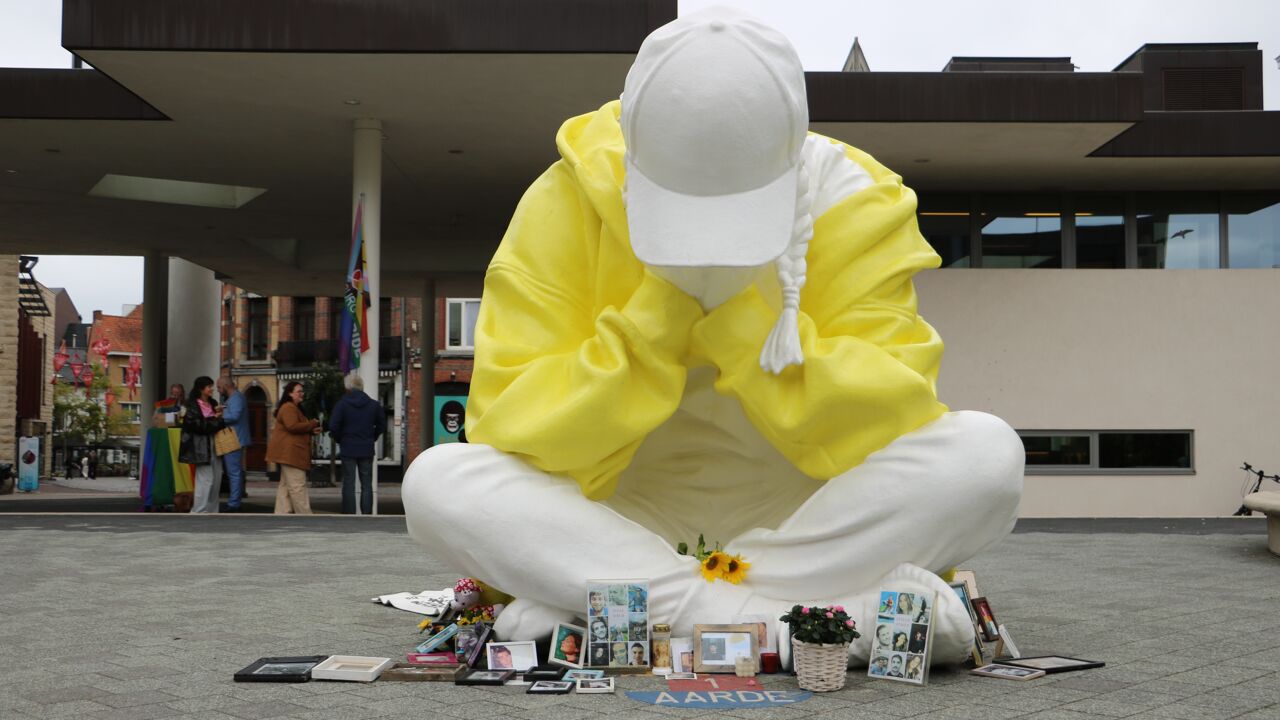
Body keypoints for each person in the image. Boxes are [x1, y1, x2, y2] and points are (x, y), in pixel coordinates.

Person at [402, 7, 1023, 663]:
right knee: (439, 484)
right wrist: (660, 311)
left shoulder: (854, 199)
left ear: (791, 161)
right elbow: (511, 423)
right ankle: (806, 624)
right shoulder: (568, 197)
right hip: (621, 514)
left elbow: (889, 413)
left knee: (987, 457)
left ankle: (628, 612)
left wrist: (737, 316)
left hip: (803, 515)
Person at [327, 373, 386, 515]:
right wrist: (372, 437)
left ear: (348, 388)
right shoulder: (373, 405)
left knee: (349, 482)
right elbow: (382, 425)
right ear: (362, 387)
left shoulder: (342, 404)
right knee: (366, 484)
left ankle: (349, 514)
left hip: (348, 448)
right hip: (366, 448)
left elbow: (333, 426)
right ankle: (366, 515)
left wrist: (341, 439)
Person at [265, 381, 320, 514]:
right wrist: (312, 424)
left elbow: (293, 428)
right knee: (297, 486)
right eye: (299, 391)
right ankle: (306, 516)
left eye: (302, 391)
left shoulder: (291, 407)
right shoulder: (289, 407)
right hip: (291, 454)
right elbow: (292, 426)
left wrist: (311, 431)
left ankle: (282, 513)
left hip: (288, 453)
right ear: (290, 393)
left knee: (285, 487)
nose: (302, 394)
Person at [178, 376, 226, 513]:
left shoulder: (213, 402)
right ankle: (199, 510)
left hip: (214, 443)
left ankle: (212, 510)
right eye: (209, 386)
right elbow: (197, 425)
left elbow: (213, 423)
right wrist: (215, 421)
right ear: (201, 389)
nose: (212, 389)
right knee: (205, 479)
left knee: (216, 479)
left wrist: (218, 417)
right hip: (200, 446)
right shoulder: (192, 405)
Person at [217, 377, 250, 512]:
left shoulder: (236, 398)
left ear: (226, 385)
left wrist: (219, 414)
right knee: (234, 472)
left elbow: (234, 416)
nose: (218, 390)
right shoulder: (235, 398)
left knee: (234, 472)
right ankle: (235, 501)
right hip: (235, 438)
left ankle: (234, 504)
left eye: (219, 387)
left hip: (234, 439)